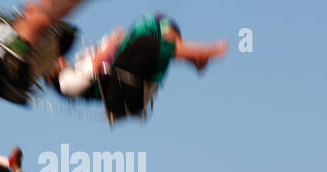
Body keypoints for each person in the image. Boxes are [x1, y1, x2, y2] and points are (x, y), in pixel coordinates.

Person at [50, 12, 227, 119]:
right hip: (121, 92)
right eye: (55, 61)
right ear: (52, 73)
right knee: (145, 43)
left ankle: (195, 59)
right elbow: (96, 67)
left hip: (123, 76)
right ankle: (202, 52)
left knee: (154, 23)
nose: (61, 59)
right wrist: (113, 41)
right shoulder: (66, 83)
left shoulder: (73, 67)